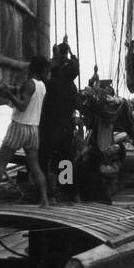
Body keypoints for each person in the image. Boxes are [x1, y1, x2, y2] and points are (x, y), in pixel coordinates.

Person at [0, 56, 51, 207]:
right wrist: (13, 91)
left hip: (19, 126)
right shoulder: (42, 86)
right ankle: (44, 200)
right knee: (35, 166)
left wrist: (8, 94)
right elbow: (30, 100)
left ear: (32, 68)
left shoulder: (29, 84)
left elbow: (22, 106)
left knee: (1, 164)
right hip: (33, 129)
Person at [40, 39, 80, 195]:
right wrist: (68, 54)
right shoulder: (72, 87)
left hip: (50, 128)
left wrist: (56, 56)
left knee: (44, 159)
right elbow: (77, 105)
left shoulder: (50, 84)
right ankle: (68, 191)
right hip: (66, 129)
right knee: (66, 159)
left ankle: (45, 191)